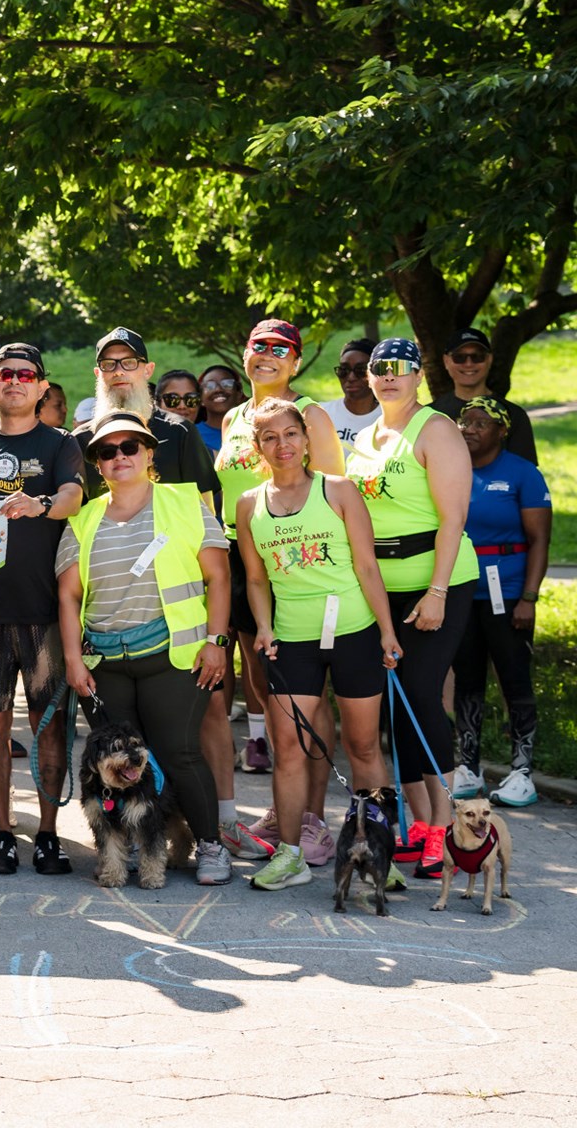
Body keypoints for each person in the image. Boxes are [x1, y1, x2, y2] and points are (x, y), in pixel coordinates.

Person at [57, 412, 235, 886]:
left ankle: (210, 846)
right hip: (106, 663)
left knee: (178, 753)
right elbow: (69, 595)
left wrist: (217, 642)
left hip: (174, 655)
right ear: (97, 463)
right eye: (107, 451)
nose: (119, 457)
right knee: (118, 761)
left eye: (130, 447)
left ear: (150, 453)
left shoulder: (184, 502)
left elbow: (219, 577)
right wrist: (73, 659)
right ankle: (129, 848)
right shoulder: (84, 517)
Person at [235, 399, 403, 891]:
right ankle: (290, 856)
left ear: (306, 439)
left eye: (290, 434)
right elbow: (256, 580)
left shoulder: (339, 491)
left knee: (364, 745)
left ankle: (378, 852)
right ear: (257, 446)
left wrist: (387, 631)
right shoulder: (249, 504)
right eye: (270, 437)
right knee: (288, 748)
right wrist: (263, 627)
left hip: (353, 632)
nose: (282, 445)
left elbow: (368, 567)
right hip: (293, 640)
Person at [347, 337, 476, 880]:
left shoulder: (437, 429)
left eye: (401, 368)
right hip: (381, 587)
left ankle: (445, 829)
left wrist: (438, 591)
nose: (389, 377)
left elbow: (453, 519)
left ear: (420, 375)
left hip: (437, 580)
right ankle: (419, 825)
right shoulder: (368, 435)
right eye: (380, 369)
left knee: (422, 694)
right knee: (395, 708)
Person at [0, 344, 86, 876]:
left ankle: (50, 834)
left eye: (24, 375)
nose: (14, 381)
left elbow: (75, 494)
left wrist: (41, 505)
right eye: (4, 374)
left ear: (40, 386)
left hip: (44, 612)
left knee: (48, 727)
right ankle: (4, 834)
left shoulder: (60, 443)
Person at [212, 320, 341, 785]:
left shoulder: (312, 415)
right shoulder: (233, 418)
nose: (268, 355)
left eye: (281, 349)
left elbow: (333, 495)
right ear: (244, 353)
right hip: (237, 555)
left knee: (304, 690)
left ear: (297, 362)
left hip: (292, 555)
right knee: (263, 682)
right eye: (258, 346)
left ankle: (312, 809)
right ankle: (286, 800)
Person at [451, 397, 550, 808]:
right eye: (465, 421)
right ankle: (468, 767)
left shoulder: (522, 474)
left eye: (481, 423)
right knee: (467, 681)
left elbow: (540, 539)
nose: (470, 428)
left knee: (514, 680)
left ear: (501, 430)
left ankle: (522, 771)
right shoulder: (449, 470)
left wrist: (529, 597)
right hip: (460, 589)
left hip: (507, 590)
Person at [75, 328, 221, 497]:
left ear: (148, 370)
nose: (118, 371)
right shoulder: (81, 440)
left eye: (129, 362)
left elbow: (204, 506)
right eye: (108, 364)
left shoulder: (180, 431)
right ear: (98, 374)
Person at [430, 328, 537, 462]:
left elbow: (525, 474)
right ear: (446, 361)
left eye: (477, 357)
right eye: (459, 357)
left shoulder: (513, 415)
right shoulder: (430, 414)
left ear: (489, 359)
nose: (468, 364)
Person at [319, 338, 380, 455]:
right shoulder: (321, 413)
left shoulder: (388, 418)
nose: (351, 377)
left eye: (360, 370)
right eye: (344, 370)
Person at [196, 364, 244, 455]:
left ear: (239, 394)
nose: (218, 389)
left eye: (227, 384)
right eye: (209, 386)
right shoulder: (191, 434)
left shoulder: (252, 431)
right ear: (200, 398)